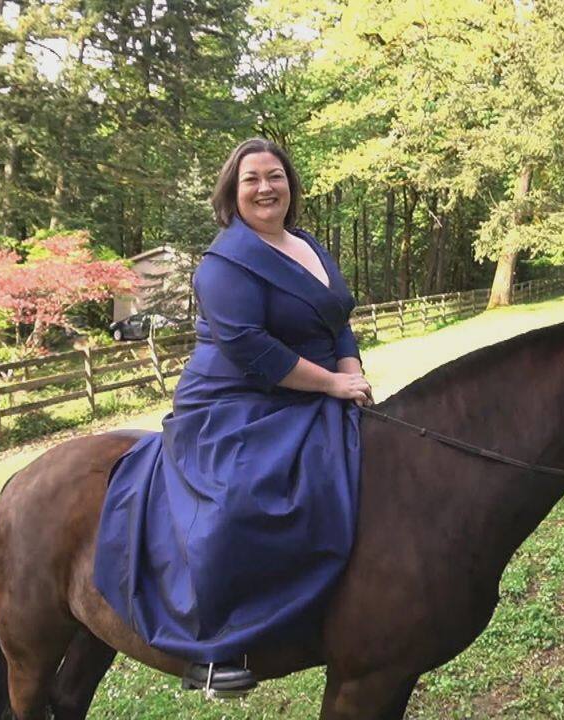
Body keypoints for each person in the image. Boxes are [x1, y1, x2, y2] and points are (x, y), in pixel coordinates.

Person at [93, 138, 371, 696]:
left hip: (314, 386)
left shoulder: (309, 245)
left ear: (290, 185)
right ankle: (219, 643)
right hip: (235, 400)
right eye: (252, 180)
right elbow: (252, 350)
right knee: (240, 494)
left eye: (275, 176)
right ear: (233, 192)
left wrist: (352, 373)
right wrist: (334, 383)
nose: (265, 188)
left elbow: (338, 318)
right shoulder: (223, 264)